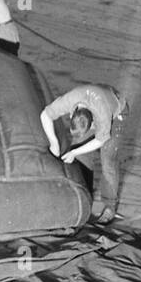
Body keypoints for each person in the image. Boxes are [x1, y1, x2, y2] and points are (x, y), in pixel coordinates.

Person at [40, 84, 127, 223]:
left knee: (108, 161)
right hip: (94, 103)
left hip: (116, 112)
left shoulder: (102, 112)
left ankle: (110, 205)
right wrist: (54, 143)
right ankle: (85, 199)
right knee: (80, 155)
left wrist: (74, 152)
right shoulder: (71, 99)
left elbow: (100, 140)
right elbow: (45, 115)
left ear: (92, 122)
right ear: (72, 113)